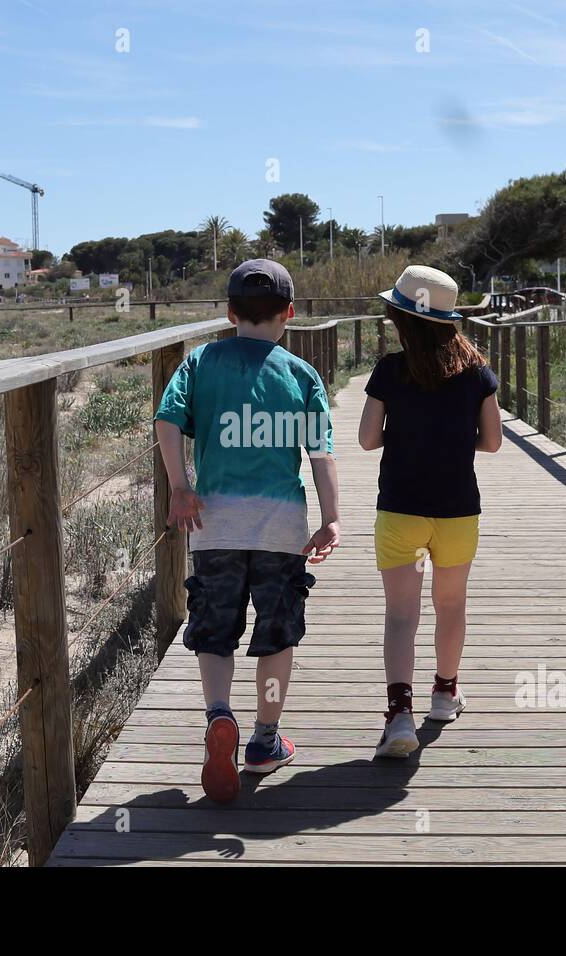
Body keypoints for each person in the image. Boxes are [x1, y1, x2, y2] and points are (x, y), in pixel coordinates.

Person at [154, 258, 341, 803]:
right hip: (281, 528)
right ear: (289, 312)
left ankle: (219, 716)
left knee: (215, 629)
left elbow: (167, 420)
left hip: (212, 525)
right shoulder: (301, 375)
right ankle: (263, 739)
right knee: (276, 632)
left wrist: (180, 486)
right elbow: (321, 452)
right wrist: (332, 517)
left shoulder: (200, 362)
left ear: (230, 312)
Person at [358, 265, 503, 758]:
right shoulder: (478, 374)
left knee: (401, 615)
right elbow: (494, 442)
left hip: (400, 508)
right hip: (458, 510)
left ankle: (399, 715)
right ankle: (445, 693)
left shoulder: (389, 371)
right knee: (451, 604)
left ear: (400, 318)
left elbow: (366, 439)